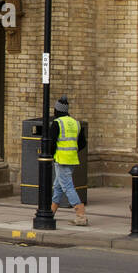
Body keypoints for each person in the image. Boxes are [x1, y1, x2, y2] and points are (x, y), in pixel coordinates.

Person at [49, 95, 88, 225]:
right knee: (58, 186)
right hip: (72, 159)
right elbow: (83, 143)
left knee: (67, 187)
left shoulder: (57, 123)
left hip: (61, 159)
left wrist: (50, 154)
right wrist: (73, 150)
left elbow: (52, 143)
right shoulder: (75, 122)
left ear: (57, 110)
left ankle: (80, 214)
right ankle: (51, 211)